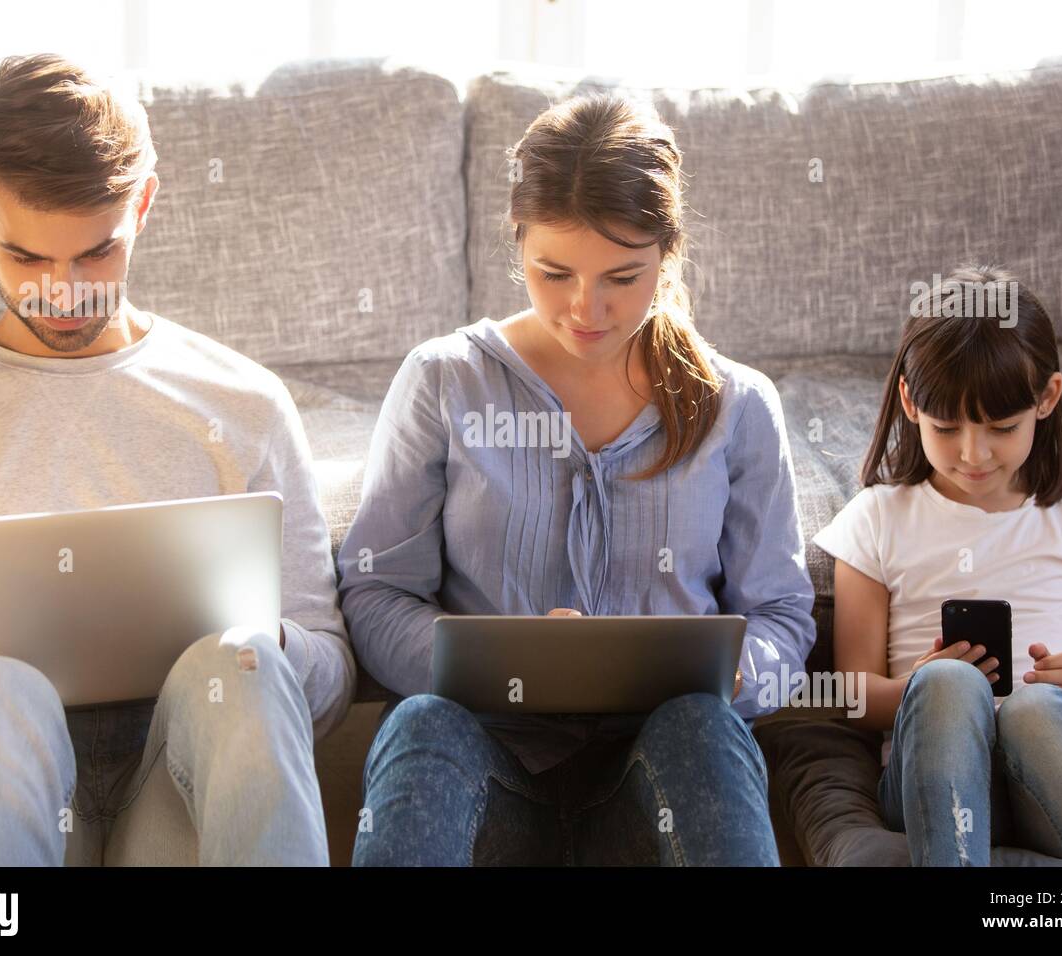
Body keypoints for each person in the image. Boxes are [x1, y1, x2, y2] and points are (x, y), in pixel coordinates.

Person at [0, 54, 354, 865]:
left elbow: (331, 673)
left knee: (242, 671)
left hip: (174, 794)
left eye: (96, 253)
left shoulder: (245, 404)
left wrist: (264, 643)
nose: (65, 292)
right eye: (27, 259)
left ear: (146, 206)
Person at [338, 92, 815, 866]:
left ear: (667, 253)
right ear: (517, 242)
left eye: (622, 277)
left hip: (657, 776)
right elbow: (374, 587)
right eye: (553, 272)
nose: (584, 310)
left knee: (704, 727)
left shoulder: (739, 405)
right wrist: (504, 661)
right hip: (490, 764)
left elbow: (782, 615)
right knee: (419, 726)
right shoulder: (445, 381)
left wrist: (705, 675)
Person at [815, 265, 1062, 866]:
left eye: (1002, 428)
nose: (973, 455)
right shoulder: (876, 518)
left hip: (1055, 780)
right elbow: (851, 692)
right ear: (909, 402)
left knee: (1039, 707)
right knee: (951, 682)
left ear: (1046, 399)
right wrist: (915, 687)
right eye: (946, 428)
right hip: (935, 775)